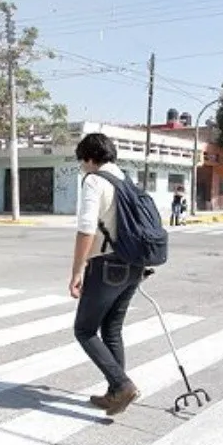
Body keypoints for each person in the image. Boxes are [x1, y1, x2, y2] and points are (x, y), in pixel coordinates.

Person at [69, 133, 144, 417]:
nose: (82, 168)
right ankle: (115, 393)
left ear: (90, 159)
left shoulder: (94, 181)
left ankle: (122, 385)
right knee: (112, 329)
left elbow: (86, 228)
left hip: (107, 266)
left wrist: (77, 270)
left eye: (82, 162)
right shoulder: (126, 180)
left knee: (84, 330)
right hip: (135, 264)